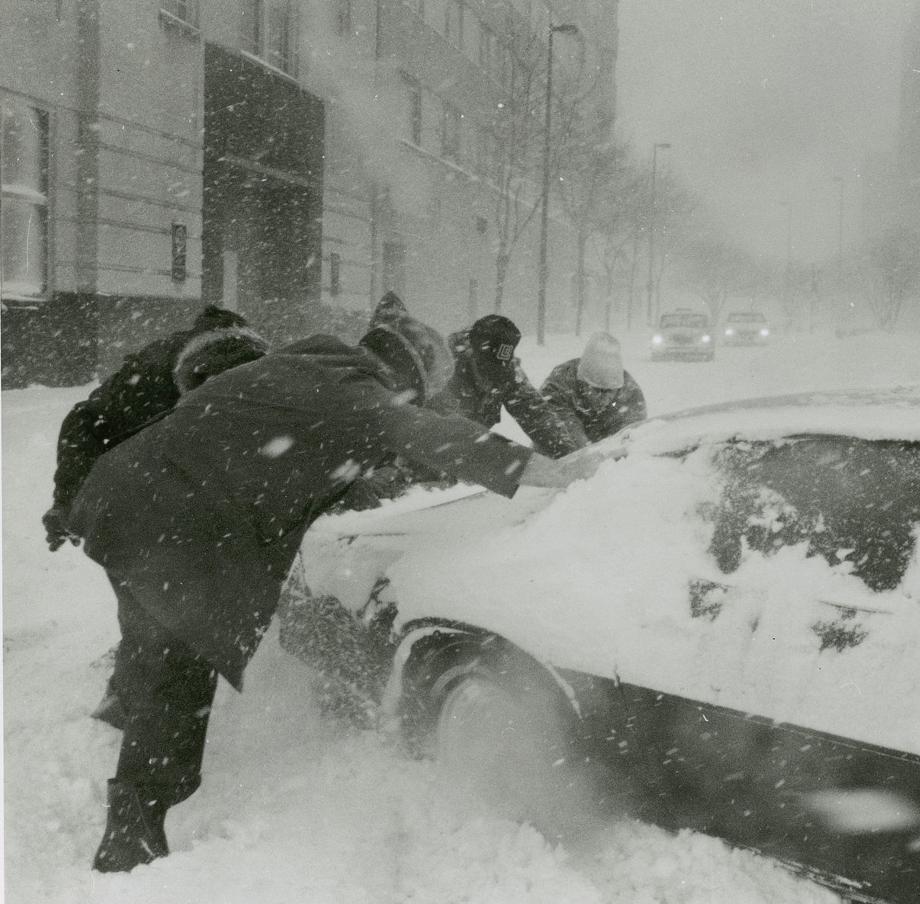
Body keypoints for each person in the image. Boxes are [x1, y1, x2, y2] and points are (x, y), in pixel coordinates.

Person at [67, 313, 600, 873]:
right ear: (405, 377)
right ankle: (131, 835)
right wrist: (558, 474)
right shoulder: (357, 395)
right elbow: (441, 440)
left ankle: (121, 709)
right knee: (180, 670)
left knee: (150, 628)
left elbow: (292, 455)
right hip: (181, 519)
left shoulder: (302, 366)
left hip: (126, 491)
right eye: (417, 393)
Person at [43, 304, 269, 552]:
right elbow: (84, 420)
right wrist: (70, 499)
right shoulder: (148, 379)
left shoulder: (274, 383)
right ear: (190, 383)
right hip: (154, 501)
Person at [435, 314, 581, 458]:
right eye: (487, 367)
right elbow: (436, 430)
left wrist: (569, 454)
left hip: (465, 452)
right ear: (472, 352)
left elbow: (536, 413)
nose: (493, 377)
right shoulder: (443, 371)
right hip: (431, 452)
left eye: (500, 368)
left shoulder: (506, 371)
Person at [540, 332, 647, 448]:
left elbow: (631, 439)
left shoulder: (630, 394)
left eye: (610, 391)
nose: (604, 398)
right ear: (582, 382)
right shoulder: (559, 384)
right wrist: (586, 452)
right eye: (598, 390)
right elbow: (560, 433)